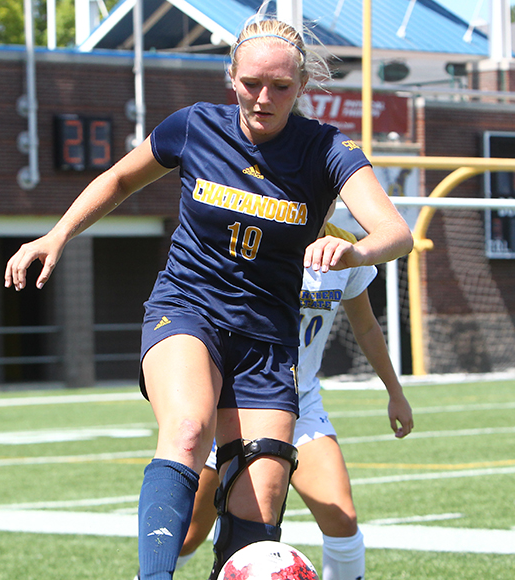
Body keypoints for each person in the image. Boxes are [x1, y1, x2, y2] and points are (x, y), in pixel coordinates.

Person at [5, 16, 413, 580]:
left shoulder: (326, 149)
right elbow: (120, 180)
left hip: (268, 339)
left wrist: (356, 253)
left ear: (301, 87)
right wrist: (57, 234)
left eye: (280, 87)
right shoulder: (193, 126)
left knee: (259, 507)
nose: (263, 98)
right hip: (187, 310)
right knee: (188, 429)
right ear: (231, 76)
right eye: (251, 84)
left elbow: (397, 233)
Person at [161, 219, 414, 580]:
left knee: (343, 517)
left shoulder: (346, 247)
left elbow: (367, 326)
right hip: (239, 405)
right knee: (189, 535)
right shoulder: (258, 239)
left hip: (302, 403)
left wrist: (395, 392)